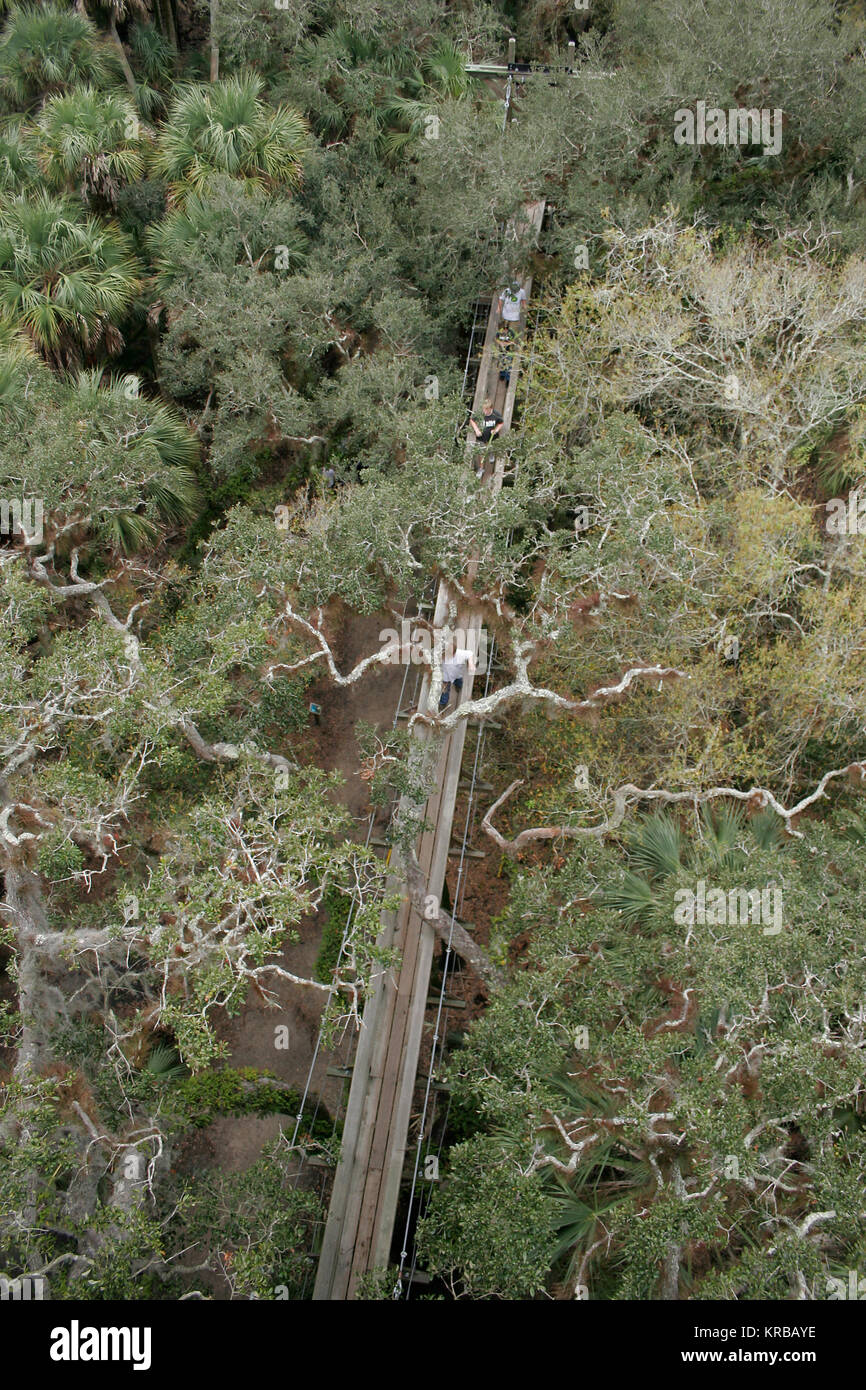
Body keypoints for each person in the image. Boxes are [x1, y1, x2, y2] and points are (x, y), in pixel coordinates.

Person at [468, 398, 504, 478]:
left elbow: (501, 423)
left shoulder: (496, 415)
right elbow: (472, 420)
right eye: (484, 409)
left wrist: (496, 430)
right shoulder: (480, 414)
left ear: (491, 408)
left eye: (486, 410)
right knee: (482, 453)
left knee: (491, 447)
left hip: (492, 437)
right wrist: (476, 430)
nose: (484, 411)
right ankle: (481, 468)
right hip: (481, 437)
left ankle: (491, 454)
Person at [438, 646, 476, 711]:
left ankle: (458, 687)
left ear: (454, 654)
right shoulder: (441, 654)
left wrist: (471, 664)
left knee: (459, 683)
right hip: (446, 678)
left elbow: (470, 653)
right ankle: (443, 703)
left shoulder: (459, 654)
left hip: (457, 676)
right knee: (445, 692)